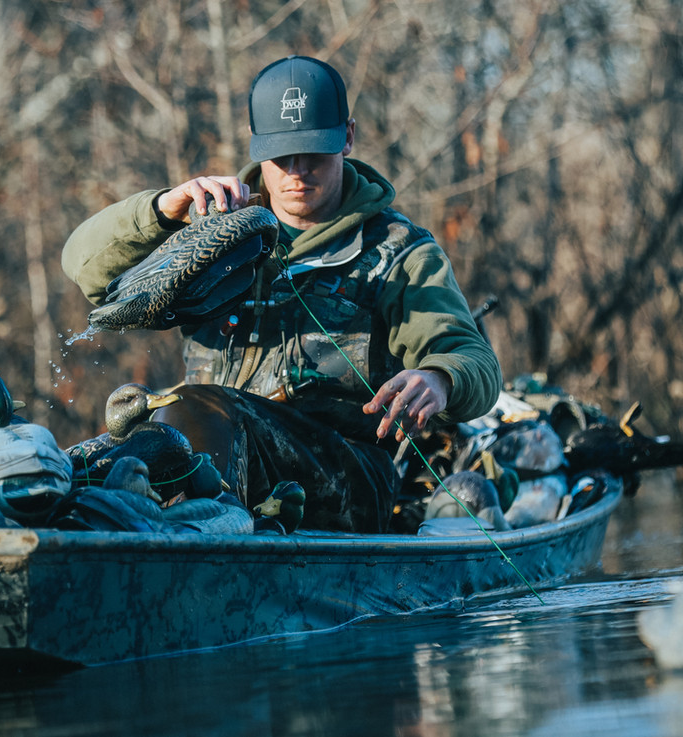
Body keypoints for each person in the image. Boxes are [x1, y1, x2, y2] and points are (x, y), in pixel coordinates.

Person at [62, 55, 501, 533]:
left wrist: (440, 378)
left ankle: (190, 535)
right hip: (210, 454)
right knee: (93, 460)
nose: (296, 172)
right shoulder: (211, 233)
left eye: (313, 153)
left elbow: (471, 359)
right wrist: (165, 208)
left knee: (193, 410)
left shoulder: (401, 252)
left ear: (347, 137)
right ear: (257, 148)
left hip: (347, 481)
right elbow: (82, 267)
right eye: (281, 156)